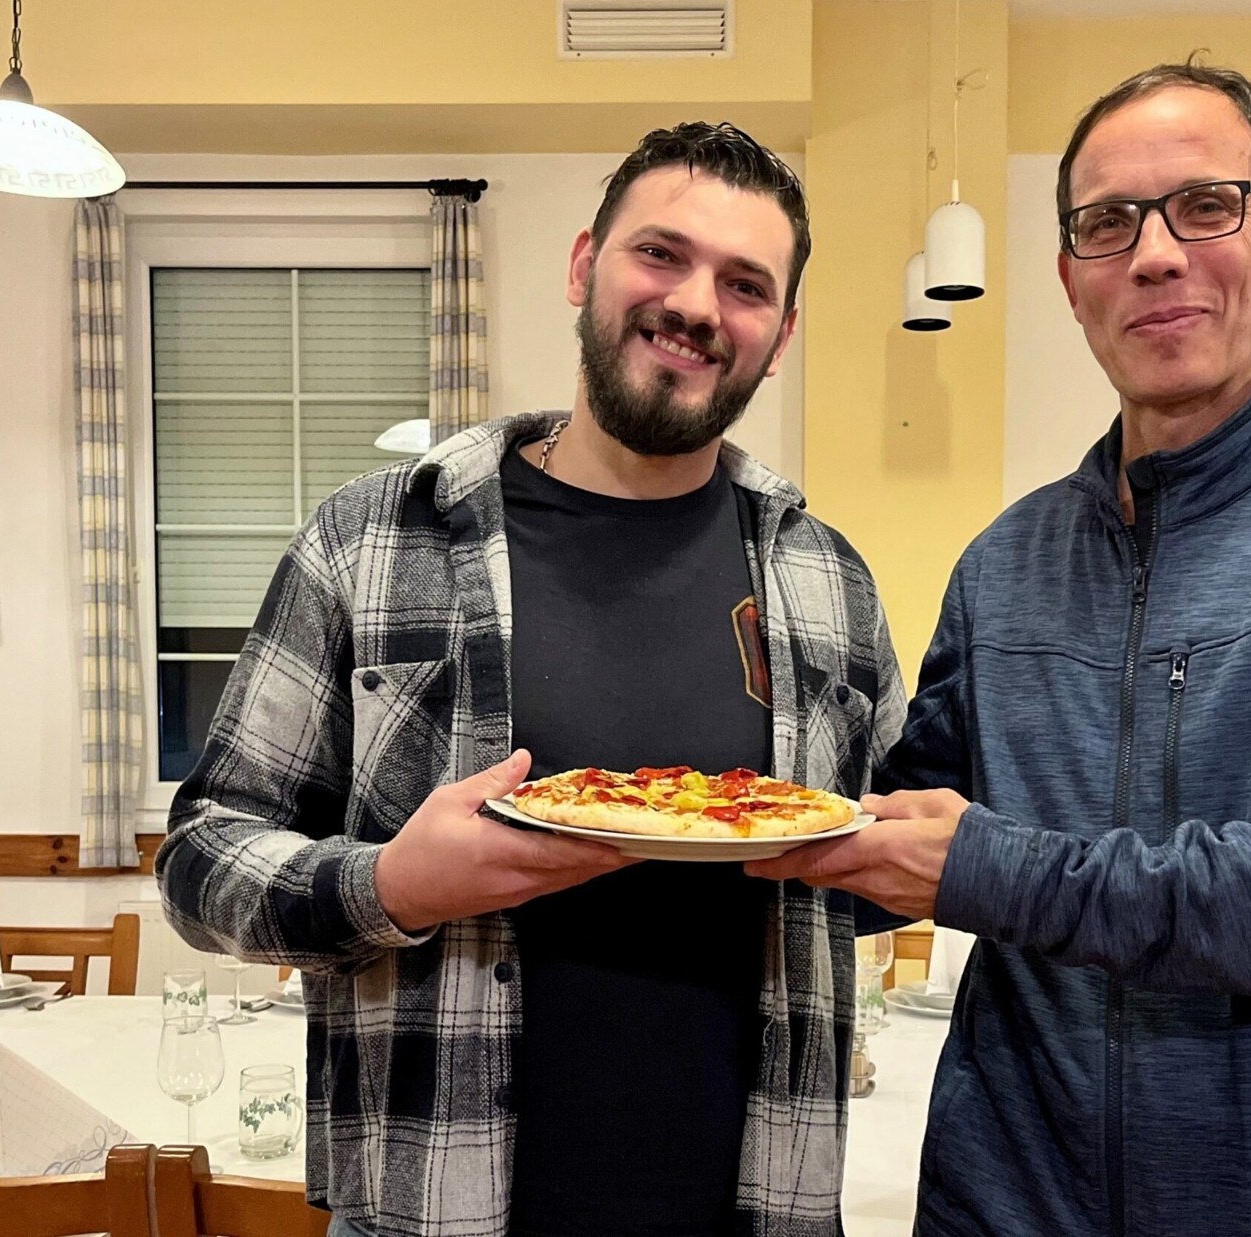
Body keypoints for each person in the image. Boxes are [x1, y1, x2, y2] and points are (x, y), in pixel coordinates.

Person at [750, 62, 1251, 1234]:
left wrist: (999, 871)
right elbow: (895, 838)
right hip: (1003, 1204)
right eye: (1108, 224)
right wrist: (678, 819)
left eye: (1205, 205)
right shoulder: (1004, 564)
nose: (1154, 253)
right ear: (1070, 281)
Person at [158, 122, 906, 1237]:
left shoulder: (826, 579)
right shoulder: (373, 539)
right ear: (581, 265)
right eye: (661, 254)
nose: (698, 303)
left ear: (781, 333)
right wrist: (394, 886)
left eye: (745, 283)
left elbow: (870, 862)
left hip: (753, 1208)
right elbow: (200, 857)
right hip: (434, 1205)